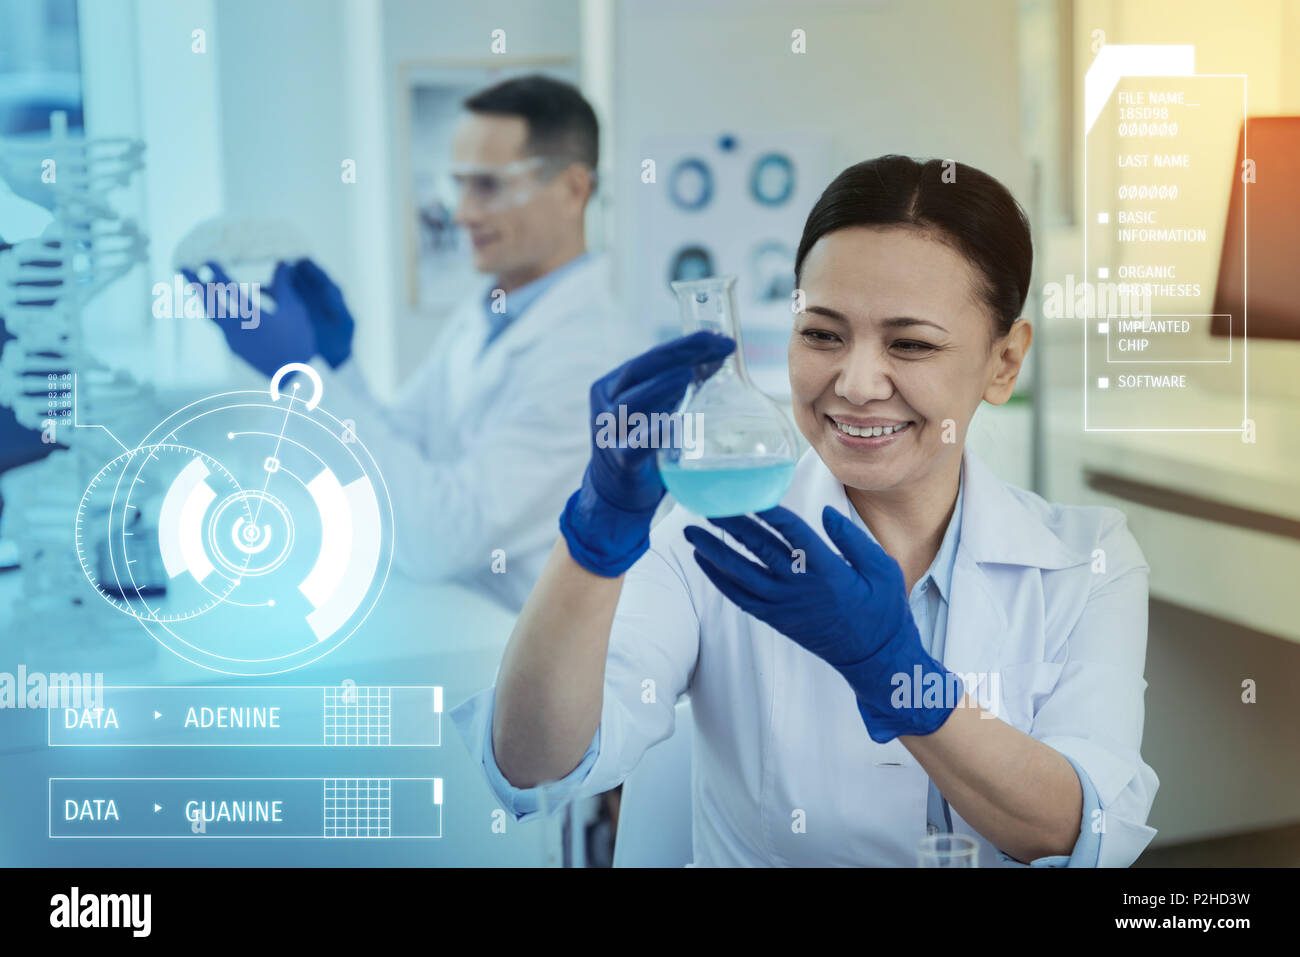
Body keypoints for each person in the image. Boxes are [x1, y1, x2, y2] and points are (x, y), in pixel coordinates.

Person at [452, 155, 1160, 867]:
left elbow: (1078, 831)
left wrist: (894, 674)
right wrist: (592, 540)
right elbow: (532, 764)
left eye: (909, 343)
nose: (854, 383)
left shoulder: (1087, 561)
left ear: (1004, 363)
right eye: (822, 333)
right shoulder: (705, 540)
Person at [189, 75, 628, 610]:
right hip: (460, 627)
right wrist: (339, 365)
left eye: (488, 185)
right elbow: (408, 450)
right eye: (458, 184)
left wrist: (303, 373)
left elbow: (439, 539)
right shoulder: (487, 313)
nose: (462, 213)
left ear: (573, 190)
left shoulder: (592, 353)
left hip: (522, 652)